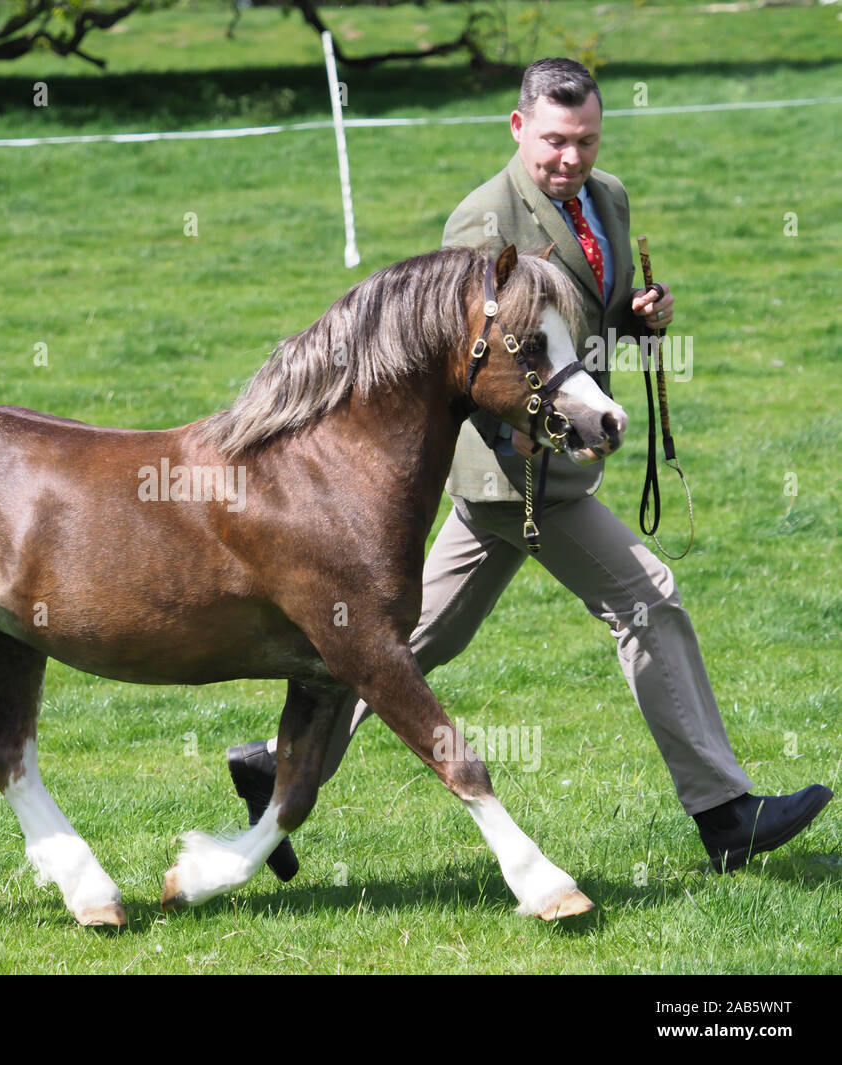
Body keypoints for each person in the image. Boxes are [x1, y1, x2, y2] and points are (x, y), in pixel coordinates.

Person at [227, 58, 831, 879]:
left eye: (584, 140)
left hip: (555, 459)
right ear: (519, 128)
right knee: (646, 596)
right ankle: (725, 811)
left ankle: (273, 767)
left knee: (397, 642)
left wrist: (636, 320)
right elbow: (468, 360)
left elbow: (575, 327)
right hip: (514, 471)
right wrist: (543, 430)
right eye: (553, 141)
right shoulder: (483, 222)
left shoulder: (607, 197)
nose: (570, 159)